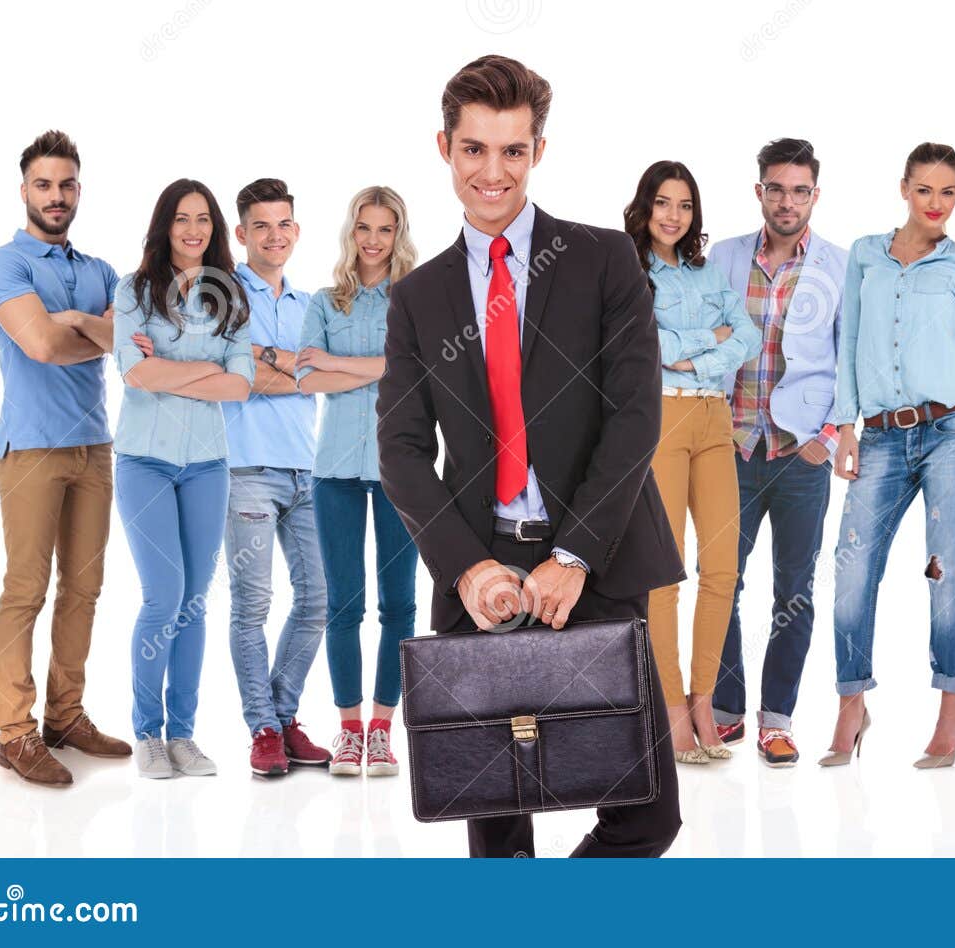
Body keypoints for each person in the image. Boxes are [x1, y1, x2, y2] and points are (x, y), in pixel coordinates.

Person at [377, 55, 684, 857]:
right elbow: (402, 449)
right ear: (445, 147)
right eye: (475, 149)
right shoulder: (417, 298)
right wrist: (467, 568)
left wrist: (575, 552)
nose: (493, 172)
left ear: (538, 151)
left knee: (647, 813)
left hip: (600, 555)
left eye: (513, 150)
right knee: (497, 822)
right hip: (483, 570)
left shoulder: (604, 259)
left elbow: (636, 417)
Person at [823, 142, 955, 770]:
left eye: (948, 192)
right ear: (904, 188)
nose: (936, 204)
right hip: (878, 433)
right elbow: (846, 342)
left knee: (948, 571)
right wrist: (843, 422)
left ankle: (952, 711)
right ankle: (852, 702)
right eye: (925, 190)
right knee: (852, 569)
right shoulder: (866, 255)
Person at [0, 129, 130, 786]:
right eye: (44, 184)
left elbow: (135, 344)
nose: (57, 195)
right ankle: (15, 732)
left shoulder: (100, 271)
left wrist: (80, 324)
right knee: (26, 590)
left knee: (85, 589)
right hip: (32, 449)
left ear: (79, 190)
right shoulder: (1, 264)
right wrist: (81, 328)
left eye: (67, 184)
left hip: (95, 447)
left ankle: (65, 717)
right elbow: (39, 344)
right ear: (25, 192)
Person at [708, 137, 847, 767]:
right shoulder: (725, 257)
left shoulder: (841, 266)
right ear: (759, 191)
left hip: (799, 455)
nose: (786, 201)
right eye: (775, 188)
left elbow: (853, 360)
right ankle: (728, 709)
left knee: (794, 589)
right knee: (721, 583)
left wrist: (828, 439)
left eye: (799, 190)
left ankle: (778, 719)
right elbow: (705, 340)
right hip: (731, 447)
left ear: (814, 195)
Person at [113, 178, 255, 779]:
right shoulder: (133, 291)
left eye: (202, 219)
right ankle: (147, 734)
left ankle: (183, 735)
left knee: (194, 602)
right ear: (164, 227)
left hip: (207, 465)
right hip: (143, 461)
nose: (192, 229)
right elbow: (132, 375)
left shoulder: (232, 298)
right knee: (163, 596)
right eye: (181, 219)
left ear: (215, 229)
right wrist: (205, 368)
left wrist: (168, 366)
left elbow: (242, 385)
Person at [625, 160, 761, 765]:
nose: (673, 215)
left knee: (723, 567)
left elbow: (749, 338)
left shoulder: (708, 274)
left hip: (714, 419)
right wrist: (710, 342)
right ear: (645, 207)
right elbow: (640, 346)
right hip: (660, 421)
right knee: (663, 572)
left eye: (683, 205)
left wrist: (690, 356)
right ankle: (671, 711)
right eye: (663, 203)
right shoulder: (629, 273)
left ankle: (704, 699)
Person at [296, 186, 420, 779]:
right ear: (352, 232)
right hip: (335, 473)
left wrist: (336, 363)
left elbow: (416, 372)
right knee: (343, 605)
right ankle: (348, 732)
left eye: (385, 229)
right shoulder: (325, 300)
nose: (373, 240)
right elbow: (303, 378)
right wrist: (377, 369)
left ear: (399, 234)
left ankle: (381, 730)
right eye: (364, 228)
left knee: (398, 603)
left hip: (404, 471)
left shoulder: (415, 299)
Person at [223, 178, 331, 777]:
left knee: (320, 598)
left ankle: (284, 716)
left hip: (309, 471)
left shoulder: (313, 304)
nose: (274, 235)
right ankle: (262, 728)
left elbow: (330, 373)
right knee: (254, 603)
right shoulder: (222, 298)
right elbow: (239, 377)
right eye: (261, 225)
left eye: (284, 223)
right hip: (247, 471)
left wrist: (274, 359)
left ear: (296, 230)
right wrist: (297, 368)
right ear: (241, 234)